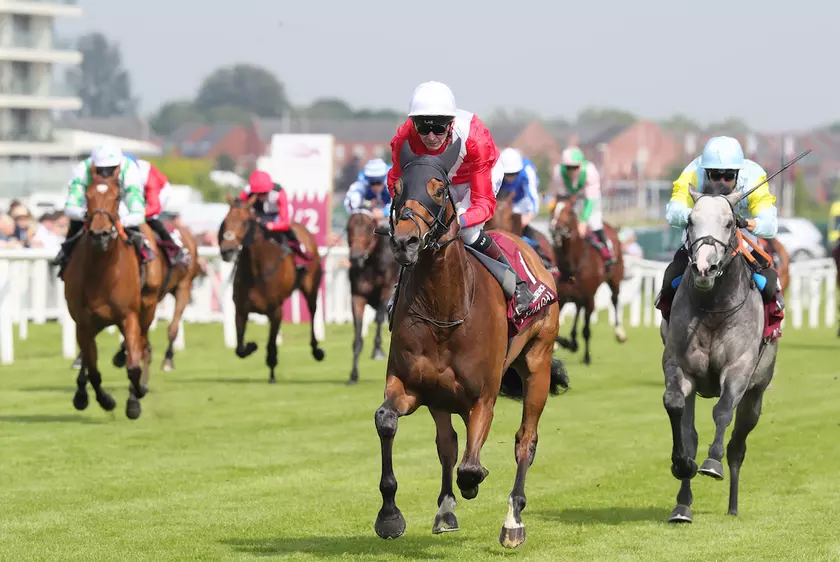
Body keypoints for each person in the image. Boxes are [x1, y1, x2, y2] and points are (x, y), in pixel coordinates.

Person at [385, 81, 535, 319]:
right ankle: (398, 294)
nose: (431, 136)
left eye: (439, 128)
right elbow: (396, 182)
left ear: (451, 123)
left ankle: (516, 285)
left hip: (475, 179)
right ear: (413, 124)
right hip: (438, 182)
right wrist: (409, 216)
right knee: (415, 233)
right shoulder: (404, 138)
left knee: (467, 234)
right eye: (423, 127)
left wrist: (461, 222)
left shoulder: (475, 137)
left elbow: (483, 204)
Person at [655, 135, 784, 321]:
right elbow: (673, 212)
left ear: (739, 173)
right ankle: (670, 327)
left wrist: (746, 223)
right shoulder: (692, 172)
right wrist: (695, 217)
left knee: (770, 284)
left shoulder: (754, 176)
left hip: (740, 238)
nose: (722, 181)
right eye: (715, 175)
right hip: (699, 238)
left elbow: (770, 225)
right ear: (706, 172)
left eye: (729, 175)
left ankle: (769, 330)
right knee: (670, 279)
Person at [53, 144, 146, 273]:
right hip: (90, 209)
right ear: (93, 165)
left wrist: (120, 222)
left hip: (121, 210)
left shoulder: (130, 170)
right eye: (100, 169)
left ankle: (145, 261)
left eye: (110, 169)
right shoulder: (81, 169)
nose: (105, 174)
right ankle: (64, 257)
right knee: (74, 229)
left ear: (118, 166)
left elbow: (138, 213)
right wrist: (87, 215)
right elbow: (70, 207)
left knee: (139, 235)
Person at [552, 146, 615, 268]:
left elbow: (590, 201)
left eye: (575, 167)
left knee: (594, 223)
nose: (571, 170)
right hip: (570, 198)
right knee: (558, 223)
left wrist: (583, 221)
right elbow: (560, 196)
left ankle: (607, 251)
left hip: (589, 199)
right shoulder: (558, 172)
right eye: (568, 167)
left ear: (581, 165)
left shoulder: (591, 172)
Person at [124, 154, 190, 267]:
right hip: (140, 191)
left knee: (149, 218)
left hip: (160, 192)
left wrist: (135, 215)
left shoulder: (146, 175)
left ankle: (176, 250)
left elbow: (155, 207)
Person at [238, 170, 309, 272]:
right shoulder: (247, 192)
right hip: (259, 213)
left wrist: (271, 226)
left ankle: (300, 255)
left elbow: (285, 223)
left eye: (264, 193)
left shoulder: (278, 192)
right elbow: (237, 210)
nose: (262, 196)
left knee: (288, 232)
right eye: (259, 194)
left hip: (277, 214)